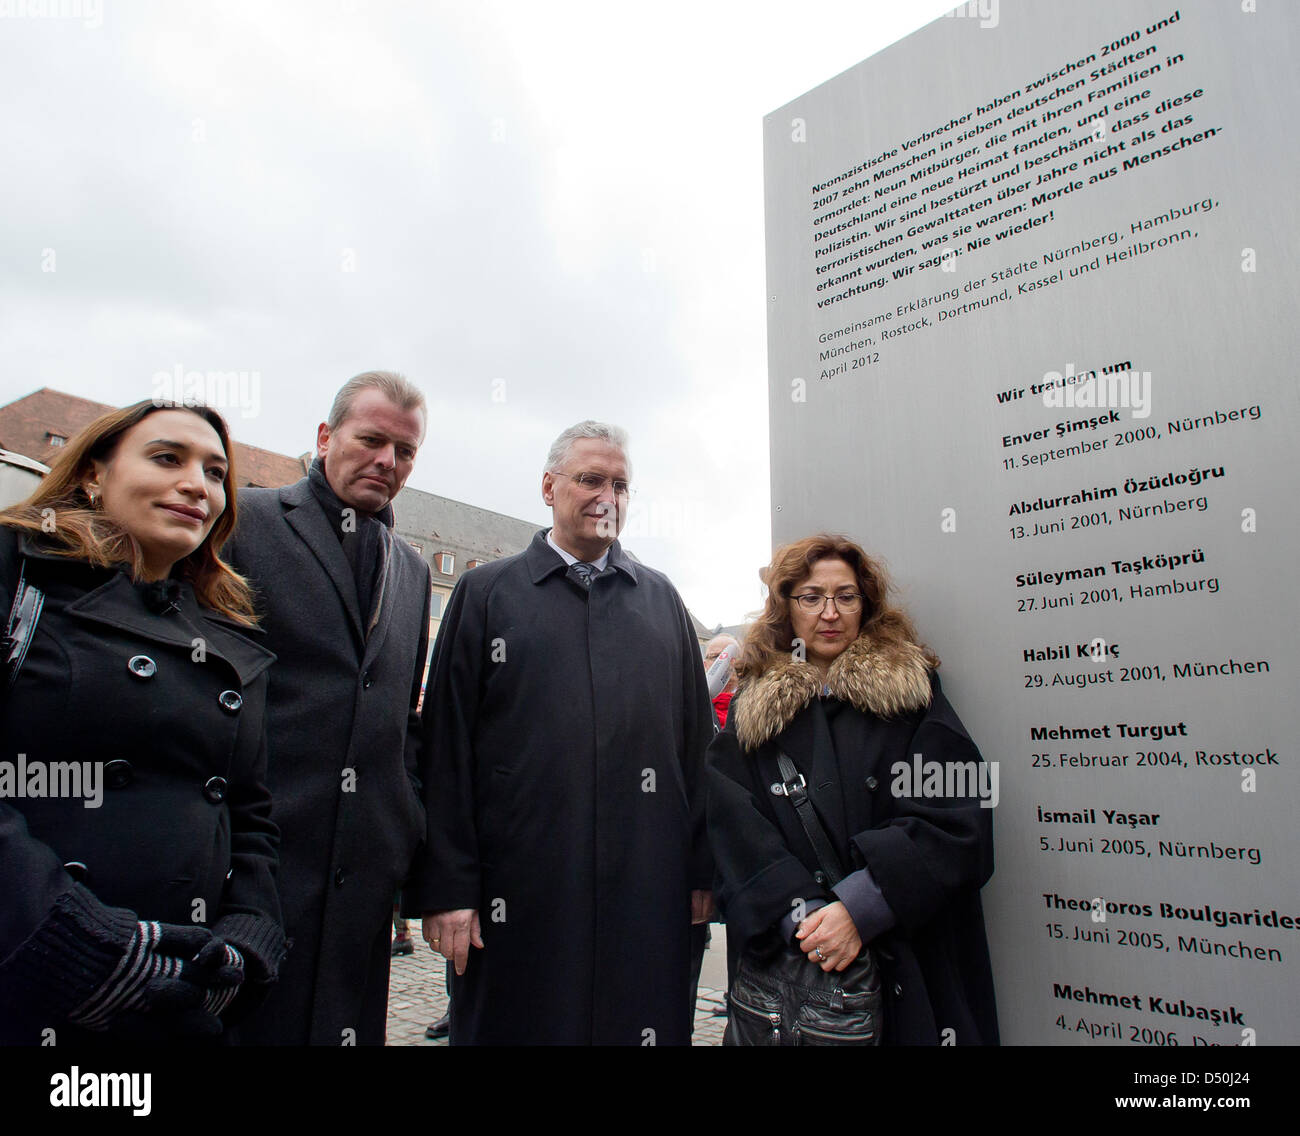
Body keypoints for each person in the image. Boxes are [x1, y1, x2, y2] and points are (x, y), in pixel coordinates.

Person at [406, 421, 715, 1045]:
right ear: (549, 487)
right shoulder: (486, 592)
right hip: (517, 896)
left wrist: (703, 872)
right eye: (589, 479)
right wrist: (448, 890)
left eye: (621, 484)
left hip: (644, 891)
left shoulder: (662, 602)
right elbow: (444, 751)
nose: (607, 495)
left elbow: (698, 751)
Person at [0, 401, 284, 1044]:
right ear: (94, 473)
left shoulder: (229, 637)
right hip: (31, 978)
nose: (197, 485)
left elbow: (252, 814)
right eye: (167, 458)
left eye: (216, 474)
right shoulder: (19, 571)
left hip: (180, 990)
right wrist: (79, 943)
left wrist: (248, 939)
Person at [706, 534, 998, 1045]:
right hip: (792, 966)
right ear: (786, 607)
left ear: (866, 604)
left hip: (904, 960)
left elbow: (959, 818)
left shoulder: (913, 695)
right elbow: (731, 822)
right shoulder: (754, 709)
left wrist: (863, 907)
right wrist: (805, 916)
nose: (830, 612)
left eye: (846, 596)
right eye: (811, 597)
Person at [222, 371, 432, 1045]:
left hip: (361, 894)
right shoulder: (244, 522)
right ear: (324, 437)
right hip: (254, 876)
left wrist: (402, 832)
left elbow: (401, 721)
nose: (386, 462)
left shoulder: (413, 568)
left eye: (404, 452)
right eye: (371, 440)